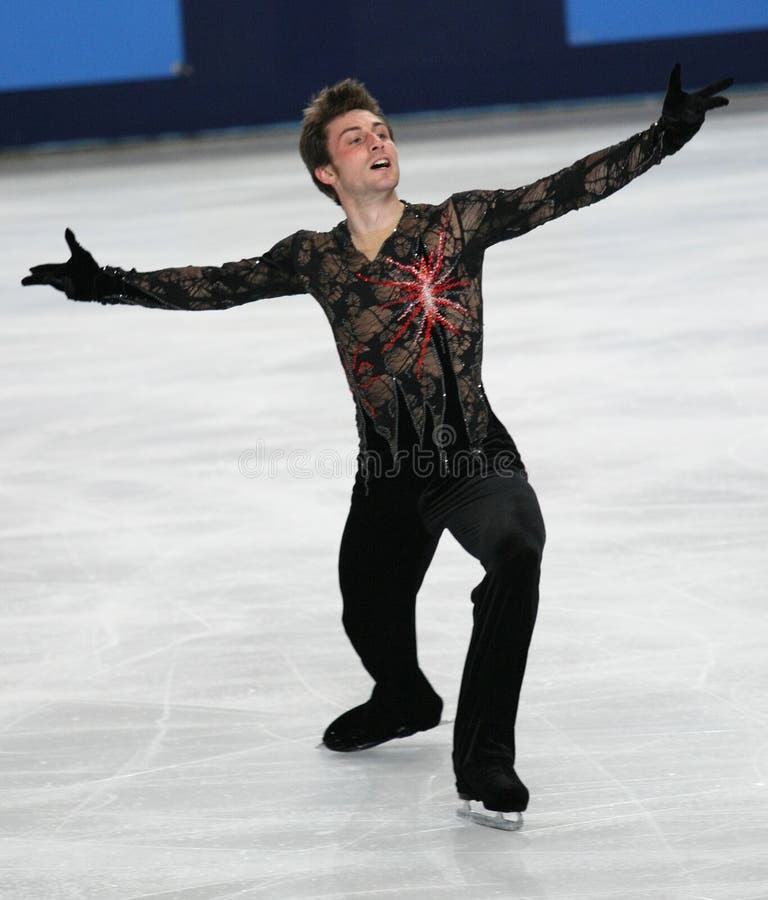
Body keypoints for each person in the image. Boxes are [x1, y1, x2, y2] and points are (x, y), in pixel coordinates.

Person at [22, 64, 732, 829]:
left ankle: (486, 758)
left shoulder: (456, 224)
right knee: (367, 613)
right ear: (328, 172)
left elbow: (561, 189)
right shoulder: (315, 259)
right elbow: (218, 283)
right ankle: (403, 698)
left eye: (382, 131)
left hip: (474, 459)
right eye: (355, 138)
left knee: (517, 557)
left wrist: (664, 137)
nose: (376, 142)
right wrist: (108, 283)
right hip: (388, 474)